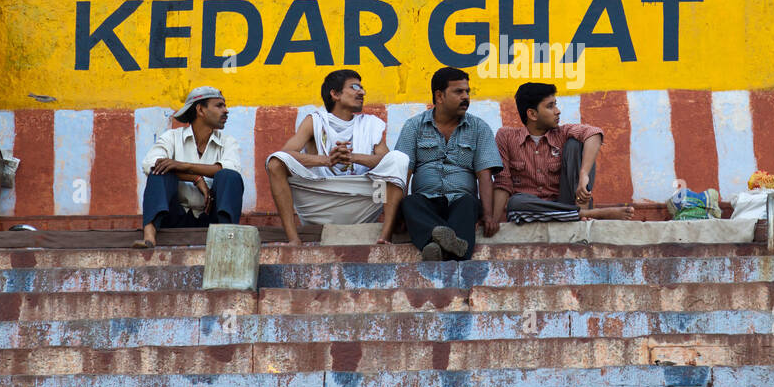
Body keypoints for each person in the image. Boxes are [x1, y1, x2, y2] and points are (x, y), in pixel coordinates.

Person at [265, 69, 408, 244]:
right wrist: (327, 160)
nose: (362, 92)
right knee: (275, 161)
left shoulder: (371, 124)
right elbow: (286, 154)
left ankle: (385, 237)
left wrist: (353, 157)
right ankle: (294, 239)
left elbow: (387, 162)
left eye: (362, 88)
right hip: (320, 199)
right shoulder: (315, 121)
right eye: (355, 87)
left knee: (399, 159)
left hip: (363, 200)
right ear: (335, 94)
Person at [394, 67, 502, 261]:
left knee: (469, 203)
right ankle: (448, 242)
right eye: (458, 92)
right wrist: (398, 214)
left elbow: (484, 176)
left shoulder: (479, 128)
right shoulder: (414, 126)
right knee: (410, 203)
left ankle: (433, 244)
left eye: (467, 91)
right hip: (425, 201)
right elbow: (403, 173)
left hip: (461, 201)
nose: (466, 97)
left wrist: (488, 215)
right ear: (439, 96)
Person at [492, 82, 635, 223]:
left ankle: (580, 212)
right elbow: (502, 183)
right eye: (550, 106)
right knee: (515, 204)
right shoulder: (506, 136)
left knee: (576, 143)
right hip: (529, 208)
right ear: (532, 114)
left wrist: (584, 174)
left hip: (567, 203)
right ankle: (585, 214)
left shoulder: (562, 133)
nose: (557, 111)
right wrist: (493, 222)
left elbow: (594, 133)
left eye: (555, 104)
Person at [136, 86, 244, 249]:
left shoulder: (228, 142)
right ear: (200, 110)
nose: (226, 110)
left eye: (224, 105)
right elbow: (150, 164)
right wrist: (194, 177)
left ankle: (228, 239)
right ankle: (149, 237)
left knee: (229, 176)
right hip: (175, 215)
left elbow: (230, 169)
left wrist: (185, 166)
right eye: (219, 106)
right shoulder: (172, 137)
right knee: (159, 172)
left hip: (212, 218)